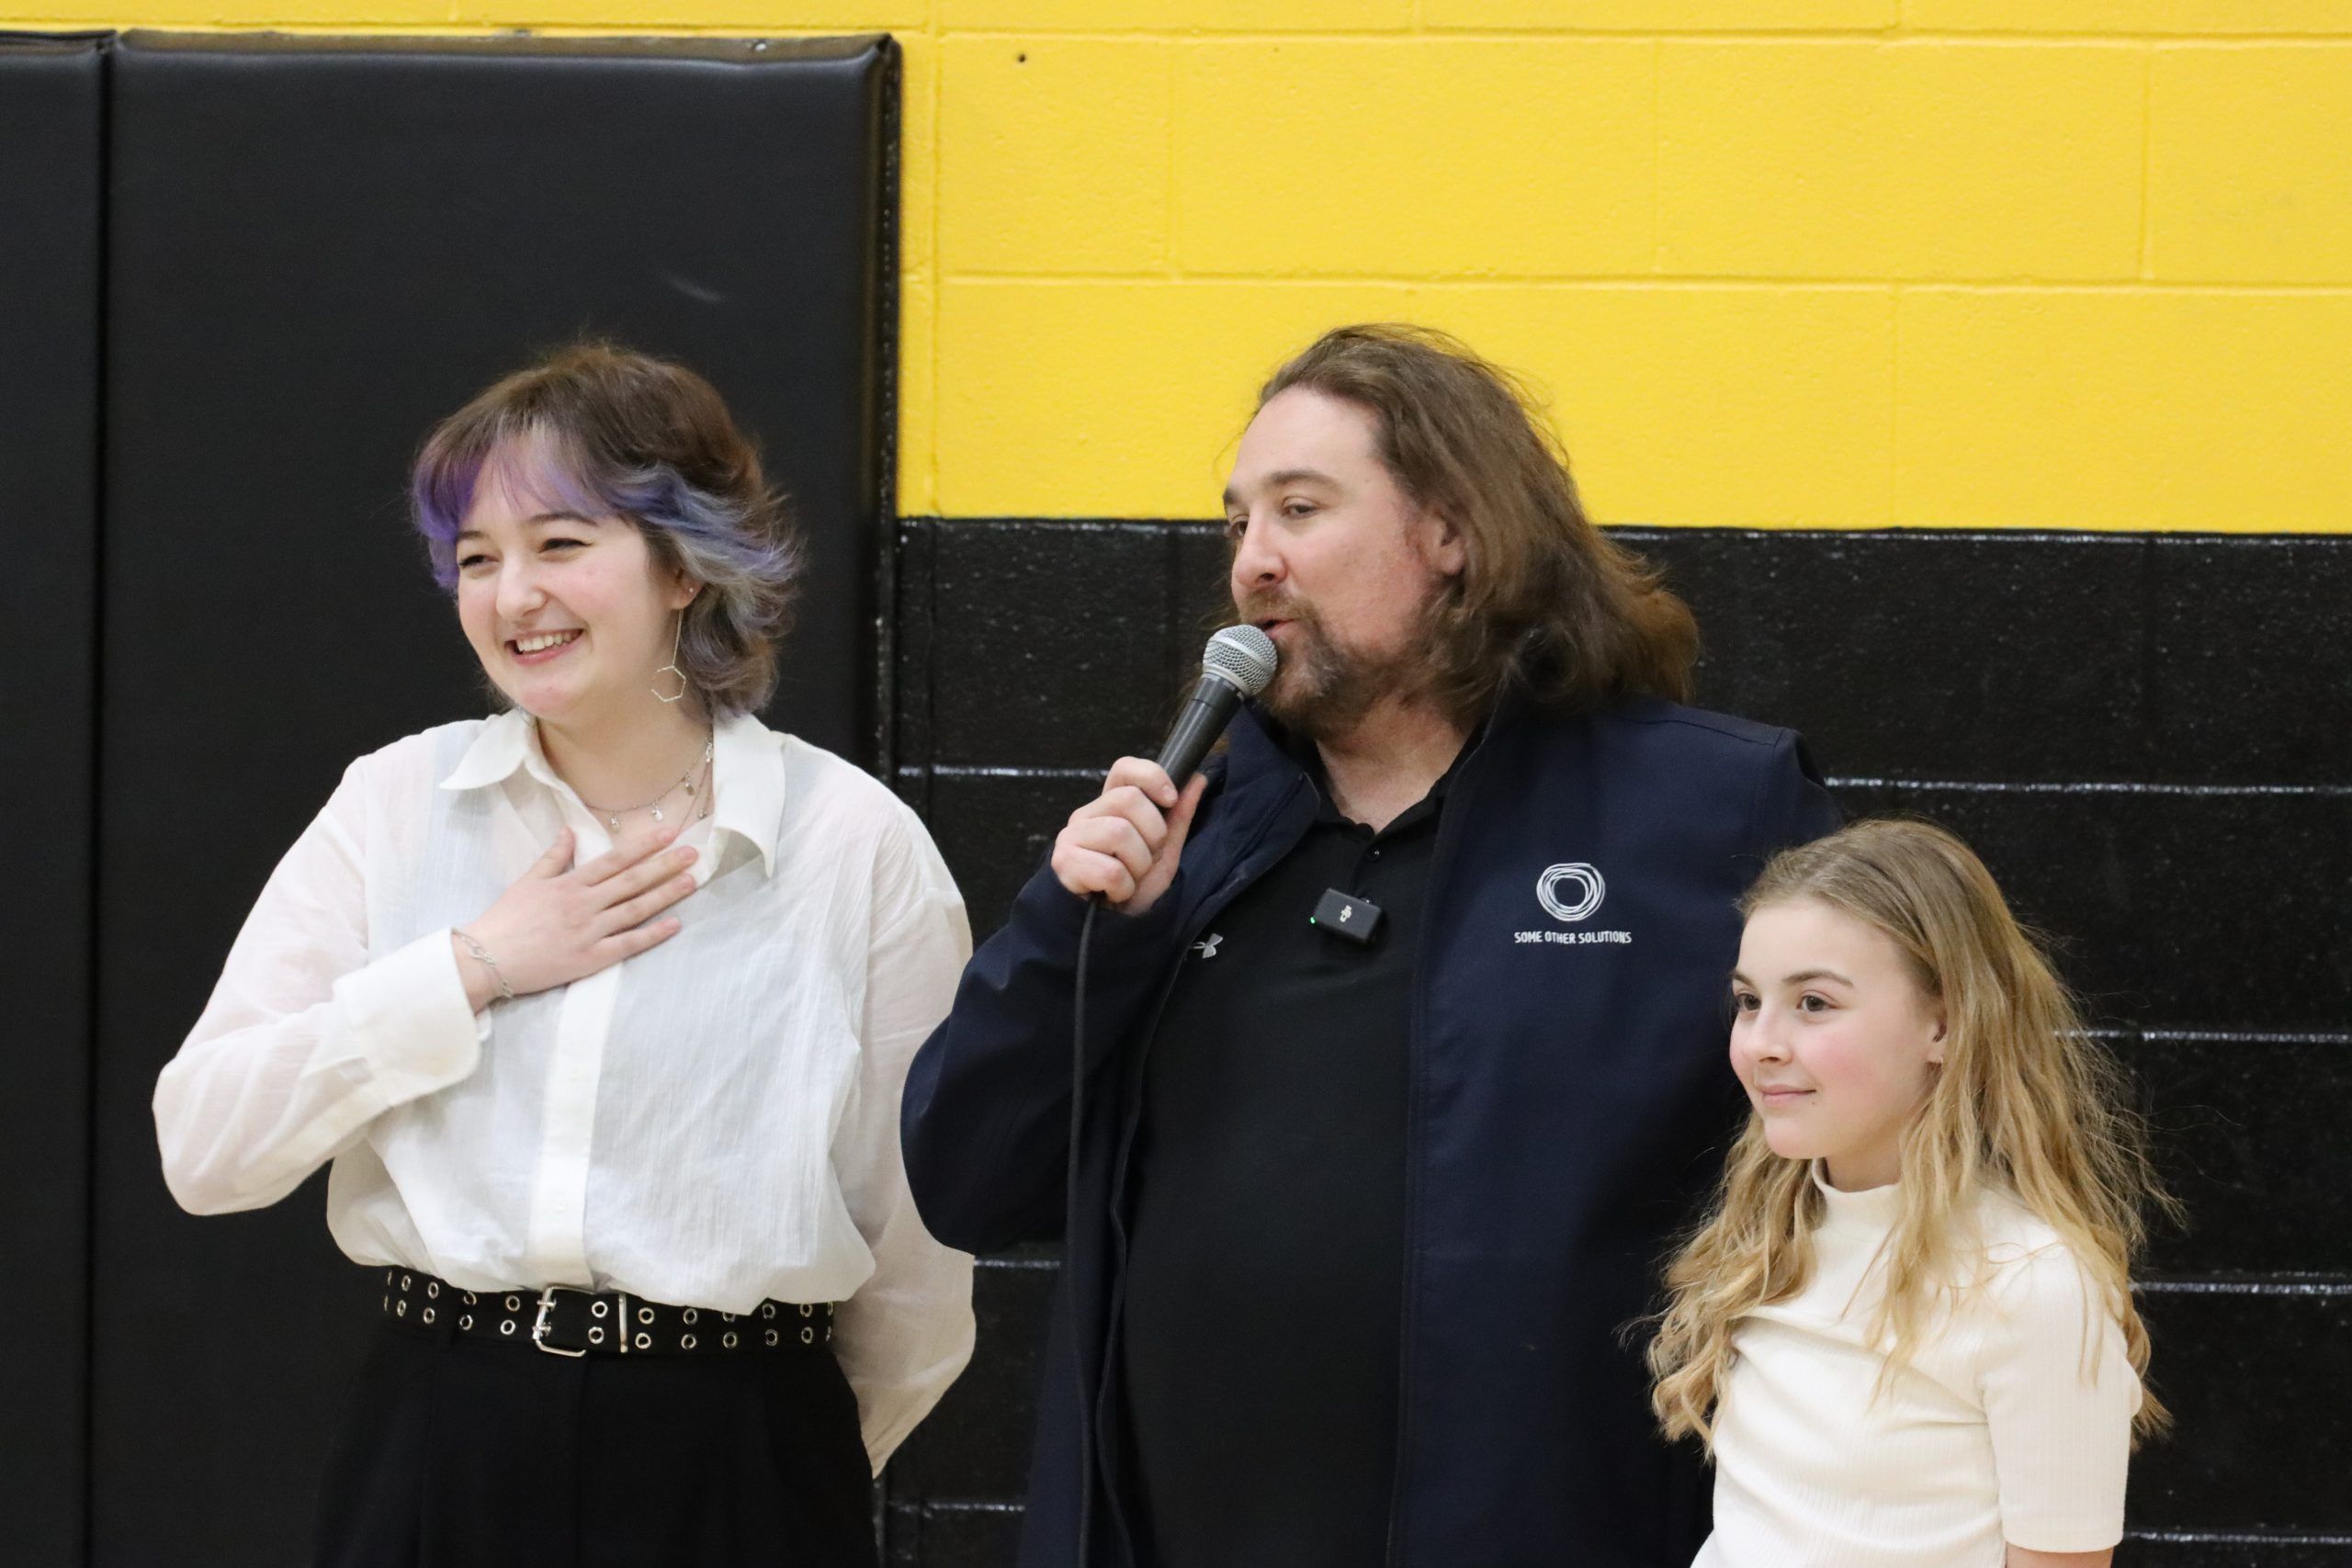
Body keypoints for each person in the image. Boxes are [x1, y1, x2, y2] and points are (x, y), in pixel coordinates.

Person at [899, 323, 1842, 1567]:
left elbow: (1874, 1174)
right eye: (1238, 521)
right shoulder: (1192, 838)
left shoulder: (1706, 808)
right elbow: (967, 1181)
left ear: (1453, 532)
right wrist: (1081, 934)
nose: (1254, 560)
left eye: (1300, 509)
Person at [154, 343, 974, 1567]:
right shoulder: (395, 802)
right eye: (477, 558)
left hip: (739, 1450)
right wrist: (471, 965)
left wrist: (775, 1465)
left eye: (560, 543)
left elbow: (916, 1258)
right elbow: (206, 1146)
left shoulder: (852, 843)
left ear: (684, 563)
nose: (512, 596)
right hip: (442, 1432)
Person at [1649, 818, 2173, 1567]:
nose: (1760, 1041)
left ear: (1946, 1023)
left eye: (1814, 1003)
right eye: (1748, 1000)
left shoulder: (2031, 1281)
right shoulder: (1771, 1234)